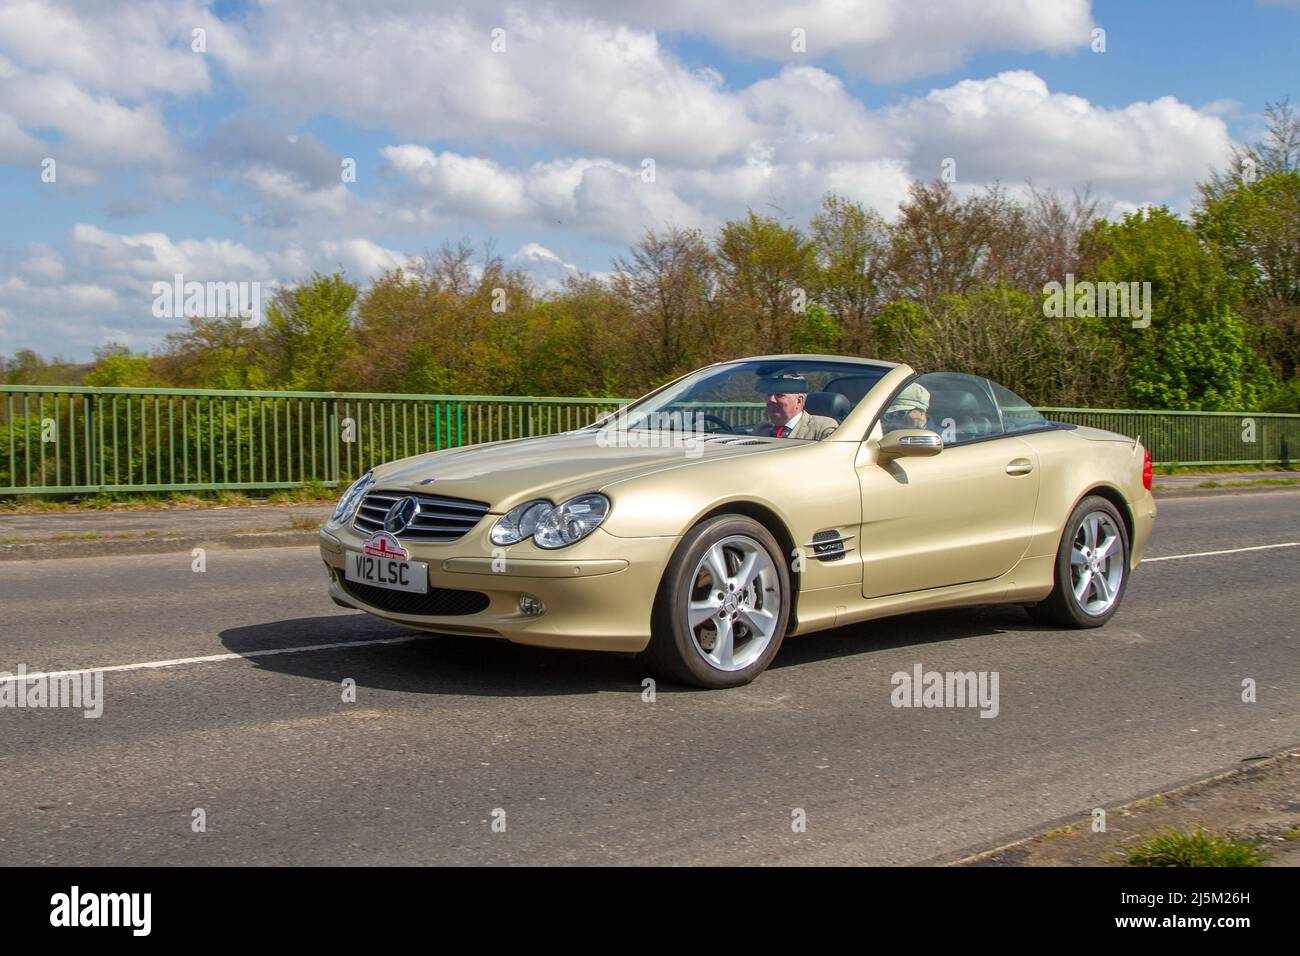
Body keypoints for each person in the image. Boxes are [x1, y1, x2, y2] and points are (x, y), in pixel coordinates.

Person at [751, 371, 838, 440]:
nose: (771, 400)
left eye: (779, 395)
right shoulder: (761, 430)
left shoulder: (821, 428)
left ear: (799, 401)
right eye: (769, 394)